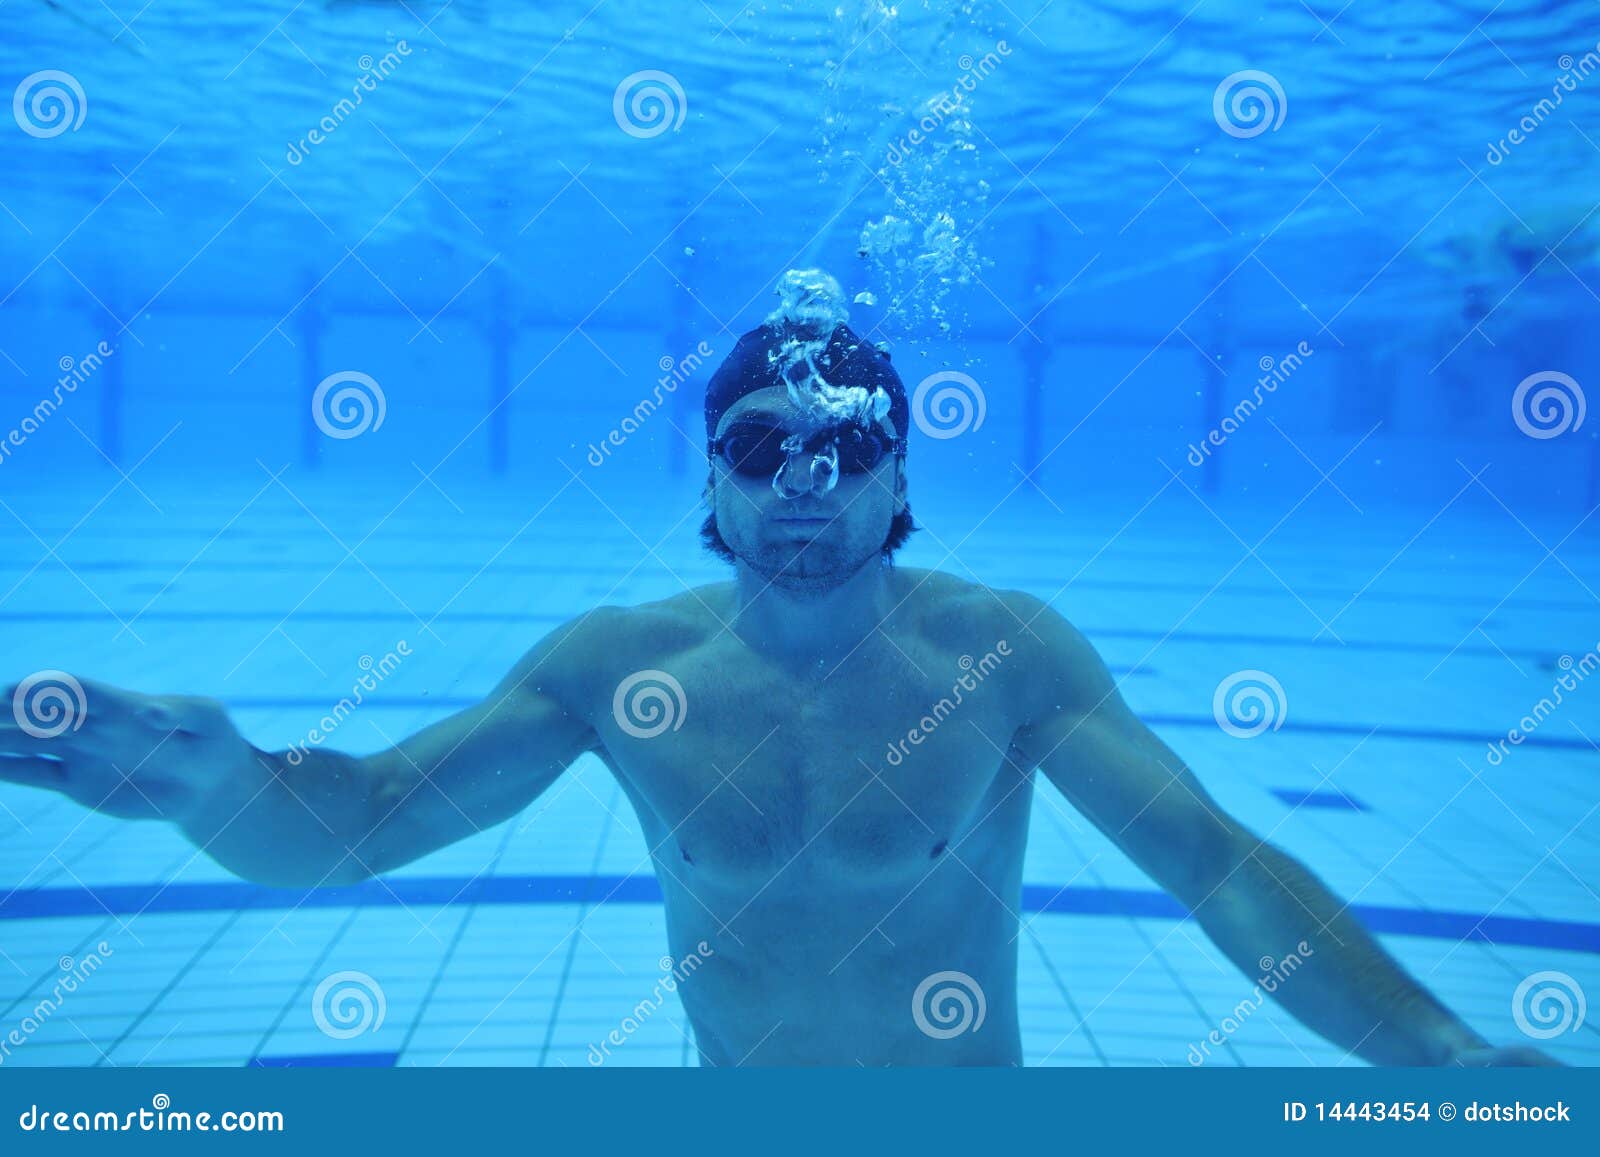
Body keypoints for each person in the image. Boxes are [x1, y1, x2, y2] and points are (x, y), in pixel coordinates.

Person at [0, 279, 1559, 1067]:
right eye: (762, 447)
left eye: (845, 448)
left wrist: (1440, 1052)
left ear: (897, 482)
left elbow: (1217, 865)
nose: (802, 480)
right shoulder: (620, 672)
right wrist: (218, 783)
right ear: (715, 480)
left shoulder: (1001, 657)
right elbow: (353, 824)